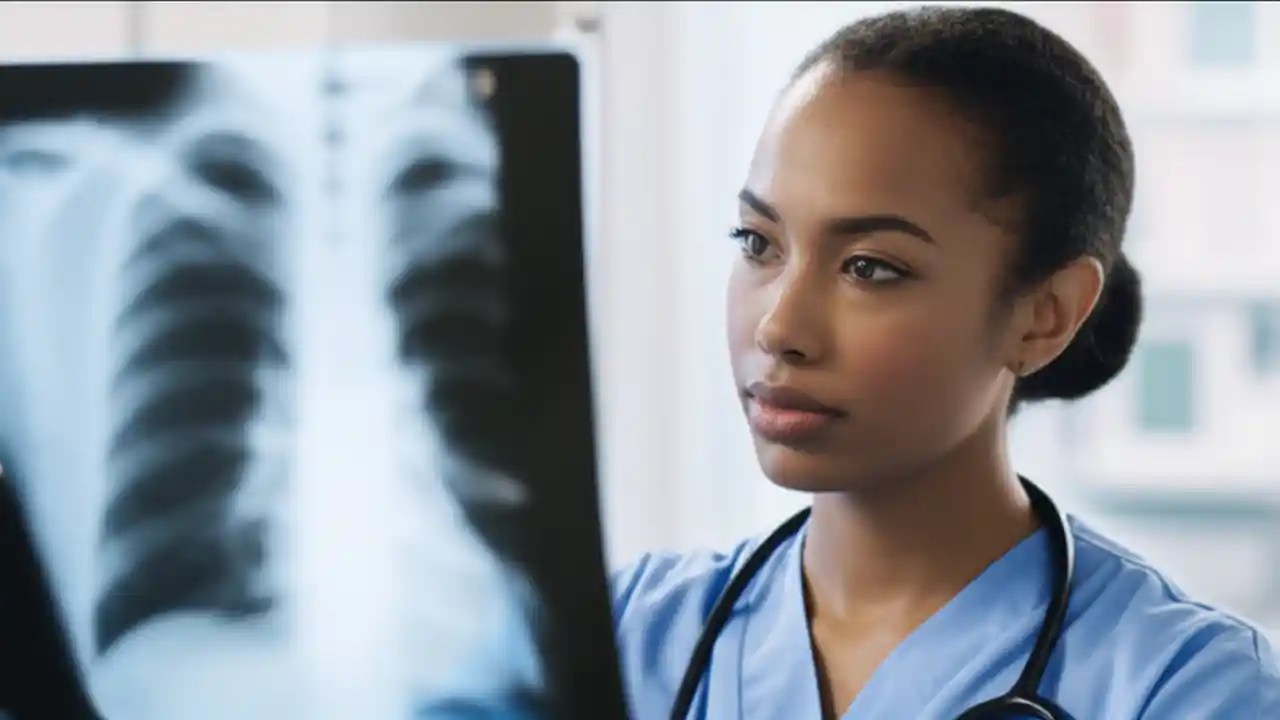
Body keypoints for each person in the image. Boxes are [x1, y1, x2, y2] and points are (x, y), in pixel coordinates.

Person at [609, 6, 1280, 719]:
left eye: (869, 268)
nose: (779, 327)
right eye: (756, 244)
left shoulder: (1189, 689)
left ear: (1045, 313)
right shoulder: (623, 635)